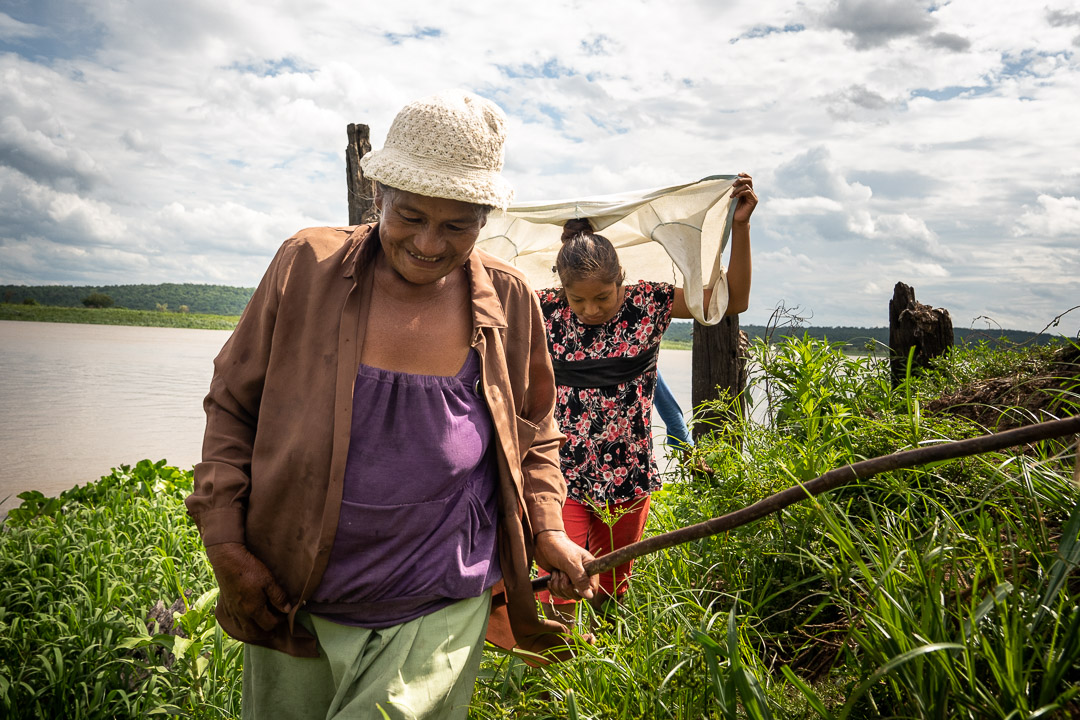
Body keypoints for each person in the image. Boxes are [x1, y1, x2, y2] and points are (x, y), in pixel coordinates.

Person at [185, 90, 599, 720]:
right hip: (296, 600)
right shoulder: (306, 267)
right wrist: (226, 550)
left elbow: (534, 425)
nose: (429, 243)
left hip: (439, 603)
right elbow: (232, 405)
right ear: (377, 195)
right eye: (409, 216)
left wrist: (546, 527)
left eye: (456, 224)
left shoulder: (510, 300)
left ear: (484, 219)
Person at [534, 174, 756, 617]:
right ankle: (555, 671)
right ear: (561, 290)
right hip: (564, 472)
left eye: (602, 296)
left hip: (628, 471)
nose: (591, 310)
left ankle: (607, 662)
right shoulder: (544, 309)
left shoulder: (648, 304)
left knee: (613, 582)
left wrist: (742, 228)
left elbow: (732, 302)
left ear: (623, 280)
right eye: (578, 300)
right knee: (561, 583)